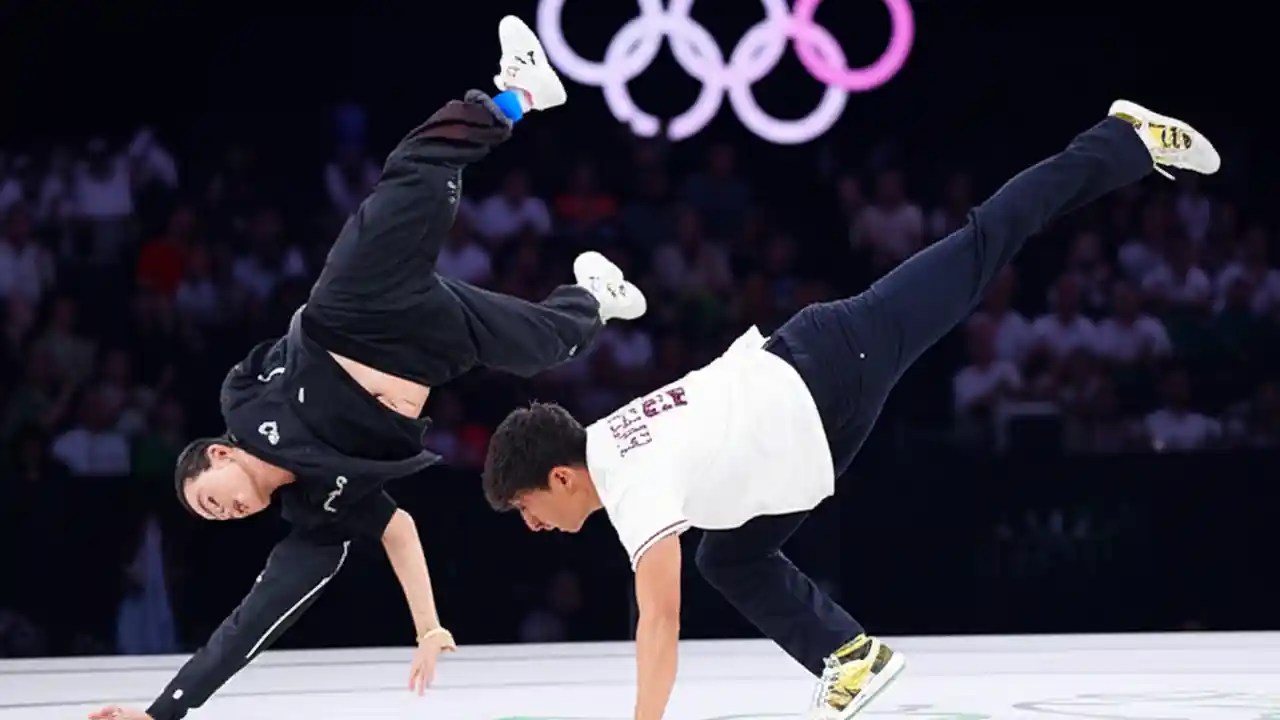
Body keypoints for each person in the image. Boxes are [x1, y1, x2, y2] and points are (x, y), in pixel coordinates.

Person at [480, 101, 1220, 720]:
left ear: (560, 476)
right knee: (729, 554)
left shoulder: (631, 482)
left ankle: (1122, 139)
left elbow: (661, 627)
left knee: (981, 244)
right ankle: (851, 656)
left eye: (526, 507)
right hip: (816, 401)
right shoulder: (610, 443)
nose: (534, 525)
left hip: (831, 362)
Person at [89, 17, 645, 720]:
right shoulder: (321, 514)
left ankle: (512, 96)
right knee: (545, 347)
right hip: (425, 350)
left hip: (355, 308)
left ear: (222, 453)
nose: (224, 511)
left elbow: (287, 343)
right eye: (218, 517)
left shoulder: (240, 399)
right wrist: (427, 625)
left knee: (415, 174)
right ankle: (594, 293)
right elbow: (254, 624)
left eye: (211, 495)